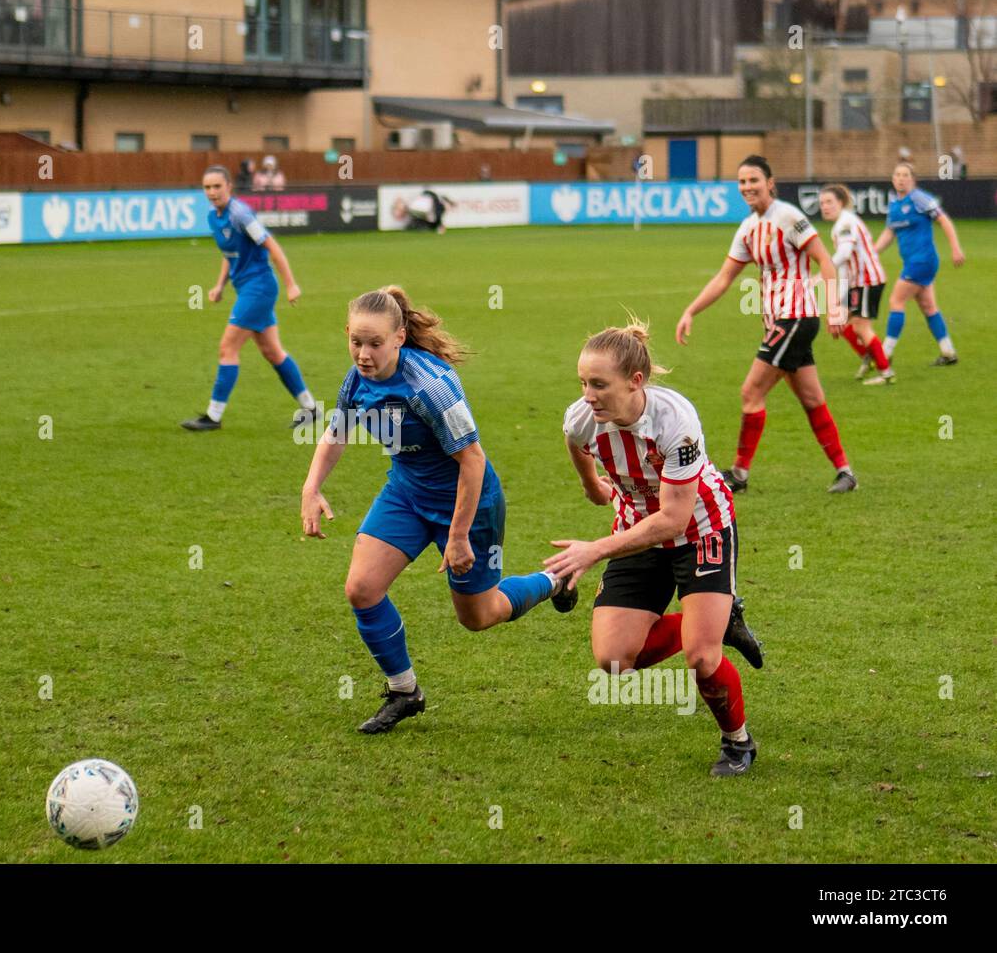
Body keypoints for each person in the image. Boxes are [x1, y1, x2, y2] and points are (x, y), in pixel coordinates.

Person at [301, 286, 574, 734]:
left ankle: (554, 580)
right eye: (356, 342)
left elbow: (473, 460)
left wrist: (460, 534)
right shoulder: (356, 379)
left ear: (400, 338)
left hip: (469, 504)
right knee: (362, 588)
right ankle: (405, 690)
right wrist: (311, 487)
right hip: (406, 493)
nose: (364, 354)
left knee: (479, 617)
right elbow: (338, 431)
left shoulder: (430, 385)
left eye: (374, 343)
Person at [546, 321, 765, 776]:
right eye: (583, 383)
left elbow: (674, 519)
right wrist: (591, 486)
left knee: (701, 658)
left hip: (699, 528)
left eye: (599, 385)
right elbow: (574, 440)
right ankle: (719, 619)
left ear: (636, 381)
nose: (588, 395)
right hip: (635, 529)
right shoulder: (582, 417)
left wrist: (594, 551)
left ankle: (737, 742)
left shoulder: (675, 423)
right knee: (612, 660)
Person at [677, 155, 857, 495]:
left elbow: (824, 259)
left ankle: (740, 475)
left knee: (751, 392)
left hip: (797, 317)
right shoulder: (747, 228)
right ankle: (845, 473)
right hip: (780, 322)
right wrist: (691, 310)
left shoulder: (788, 216)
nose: (747, 187)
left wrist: (835, 307)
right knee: (811, 397)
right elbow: (724, 277)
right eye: (742, 182)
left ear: (770, 183)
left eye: (754, 181)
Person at [181, 165, 315, 431]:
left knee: (227, 348)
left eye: (217, 186)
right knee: (273, 352)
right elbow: (229, 254)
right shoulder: (213, 217)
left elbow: (272, 246)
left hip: (260, 288)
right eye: (207, 187)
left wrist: (291, 284)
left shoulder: (240, 215)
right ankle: (311, 409)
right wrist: (219, 285)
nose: (212, 192)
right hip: (247, 288)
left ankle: (213, 416)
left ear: (229, 187)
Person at [872, 162, 965, 367]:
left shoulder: (919, 198)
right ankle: (948, 352)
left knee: (896, 300)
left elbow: (944, 220)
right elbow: (890, 233)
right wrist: (872, 253)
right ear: (892, 179)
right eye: (897, 175)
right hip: (916, 262)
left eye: (905, 175)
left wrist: (955, 248)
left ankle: (885, 354)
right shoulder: (895, 204)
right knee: (928, 307)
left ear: (912, 179)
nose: (901, 178)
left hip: (922, 261)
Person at [818, 184, 893, 385]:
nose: (824, 207)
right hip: (857, 282)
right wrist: (839, 302)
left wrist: (823, 271)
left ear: (841, 203)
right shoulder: (842, 224)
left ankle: (886, 372)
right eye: (822, 203)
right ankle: (871, 357)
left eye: (829, 202)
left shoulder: (845, 224)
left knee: (860, 327)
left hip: (868, 280)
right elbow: (844, 264)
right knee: (840, 322)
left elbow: (844, 253)